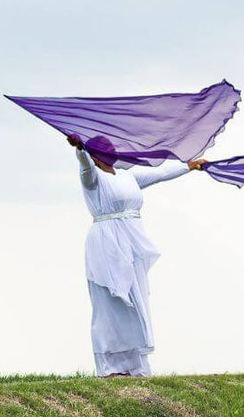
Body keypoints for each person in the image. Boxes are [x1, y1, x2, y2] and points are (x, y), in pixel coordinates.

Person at [70, 135, 205, 378]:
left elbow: (159, 174)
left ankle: (134, 366)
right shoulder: (93, 178)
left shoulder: (126, 176)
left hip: (131, 243)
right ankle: (110, 367)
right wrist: (80, 150)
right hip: (106, 243)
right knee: (111, 302)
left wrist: (189, 167)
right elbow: (85, 168)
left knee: (135, 299)